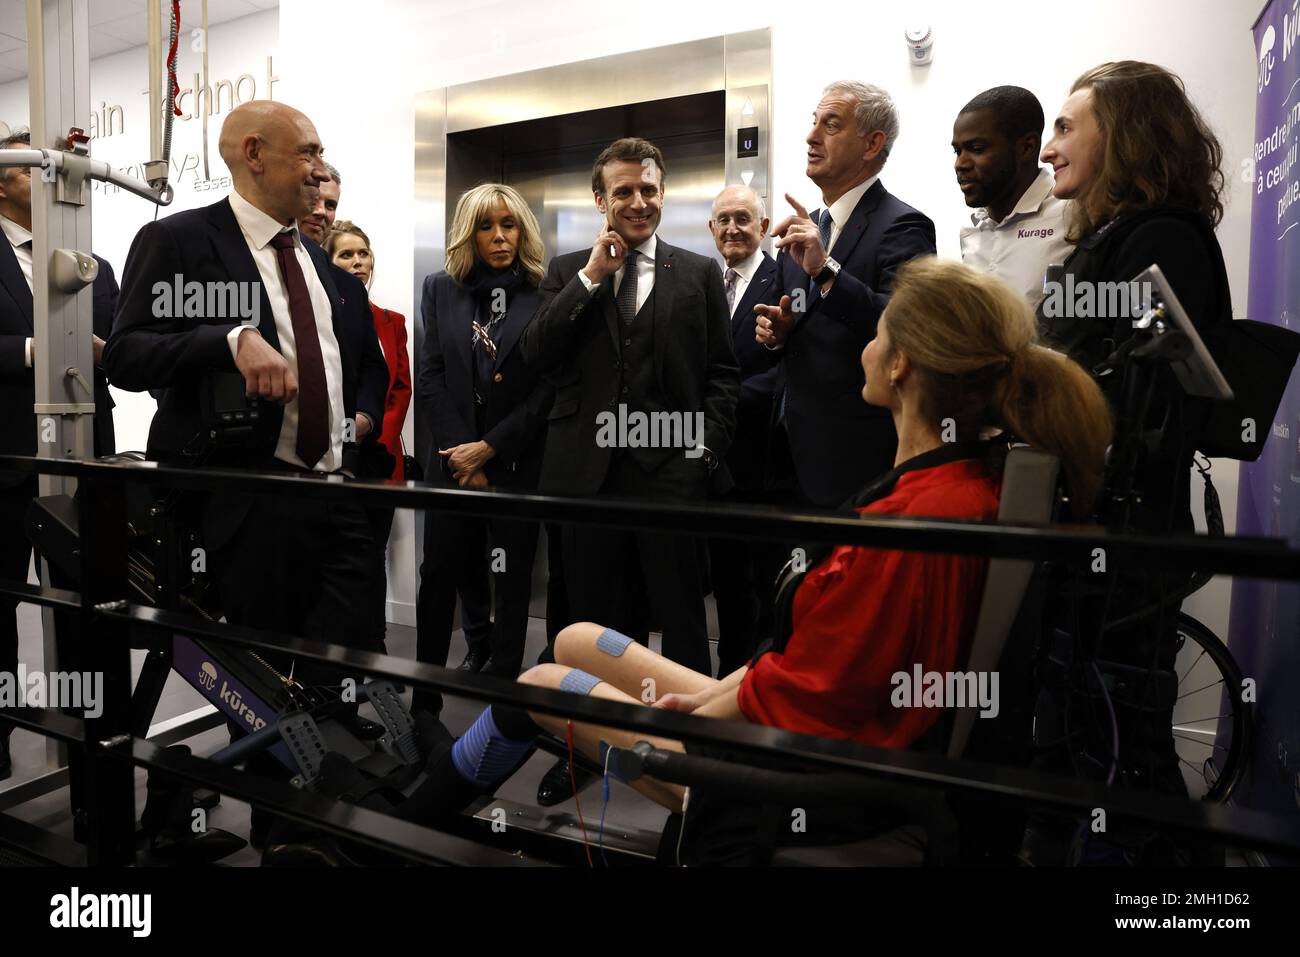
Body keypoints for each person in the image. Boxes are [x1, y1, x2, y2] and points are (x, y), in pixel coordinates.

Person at [384, 258, 1110, 862]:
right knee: (573, 636)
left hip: (805, 778)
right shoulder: (959, 484)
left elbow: (814, 689)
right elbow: (813, 661)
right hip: (817, 722)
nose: (860, 343)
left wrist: (704, 712)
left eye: (875, 330)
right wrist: (708, 699)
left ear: (901, 364)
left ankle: (397, 828)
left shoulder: (916, 519)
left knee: (541, 681)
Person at [103, 103, 390, 836]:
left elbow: (351, 364)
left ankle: (335, 830)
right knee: (266, 693)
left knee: (344, 678)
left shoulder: (323, 266)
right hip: (250, 510)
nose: (322, 171)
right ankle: (283, 840)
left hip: (336, 500)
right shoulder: (181, 241)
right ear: (255, 153)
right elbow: (129, 354)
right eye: (310, 153)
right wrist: (227, 338)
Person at [1035, 61, 1233, 803]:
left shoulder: (1164, 239)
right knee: (1080, 730)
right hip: (1090, 528)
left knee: (1122, 747)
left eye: (1064, 128)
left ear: (1121, 137)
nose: (1049, 149)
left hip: (1124, 540)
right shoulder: (1117, 236)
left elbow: (1127, 393)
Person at [520, 136, 739, 675]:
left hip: (671, 475)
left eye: (649, 189)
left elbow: (723, 374)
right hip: (586, 479)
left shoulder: (698, 273)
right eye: (624, 191)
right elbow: (537, 354)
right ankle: (601, 745)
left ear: (663, 194)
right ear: (600, 200)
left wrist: (703, 453)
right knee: (596, 629)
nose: (639, 202)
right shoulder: (567, 270)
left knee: (684, 621)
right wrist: (592, 276)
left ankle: (686, 746)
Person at [0, 128, 120, 779]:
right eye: (33, 169)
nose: (51, 179)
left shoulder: (92, 262)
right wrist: (30, 352)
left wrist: (110, 350)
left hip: (84, 465)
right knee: (0, 606)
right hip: (8, 465)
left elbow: (128, 351)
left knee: (86, 609)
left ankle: (91, 762)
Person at [755, 81, 936, 508]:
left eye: (831, 125)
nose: (811, 137)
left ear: (873, 144)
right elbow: (799, 317)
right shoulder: (804, 226)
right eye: (814, 122)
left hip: (856, 458)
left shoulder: (903, 226)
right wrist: (779, 332)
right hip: (786, 451)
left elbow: (908, 328)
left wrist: (825, 269)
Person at [414, 184, 552, 714]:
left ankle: (503, 689)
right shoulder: (440, 288)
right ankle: (423, 698)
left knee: (511, 576)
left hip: (513, 463)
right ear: (468, 233)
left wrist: (490, 448)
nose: (500, 237)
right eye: (486, 226)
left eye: (510, 225)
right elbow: (431, 376)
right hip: (450, 465)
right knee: (438, 576)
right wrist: (460, 452)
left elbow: (547, 388)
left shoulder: (543, 292)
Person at [705, 184, 790, 677]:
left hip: (765, 466)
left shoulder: (784, 279)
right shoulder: (704, 283)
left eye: (743, 218)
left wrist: (718, 406)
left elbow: (790, 370)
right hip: (713, 471)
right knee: (728, 588)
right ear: (713, 229)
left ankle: (761, 692)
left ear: (763, 227)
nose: (733, 228)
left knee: (767, 589)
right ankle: (726, 685)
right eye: (723, 220)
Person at [326, 219, 413, 649]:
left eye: (363, 254)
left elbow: (399, 388)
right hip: (335, 458)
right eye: (346, 254)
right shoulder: (323, 315)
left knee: (373, 552)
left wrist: (373, 431)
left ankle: (375, 642)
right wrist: (344, 436)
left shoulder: (392, 321)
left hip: (379, 455)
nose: (357, 262)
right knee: (340, 557)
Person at [953, 86, 1071, 308]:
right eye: (957, 151)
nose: (960, 164)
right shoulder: (973, 230)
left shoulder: (1074, 215)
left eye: (977, 149)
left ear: (1027, 147)